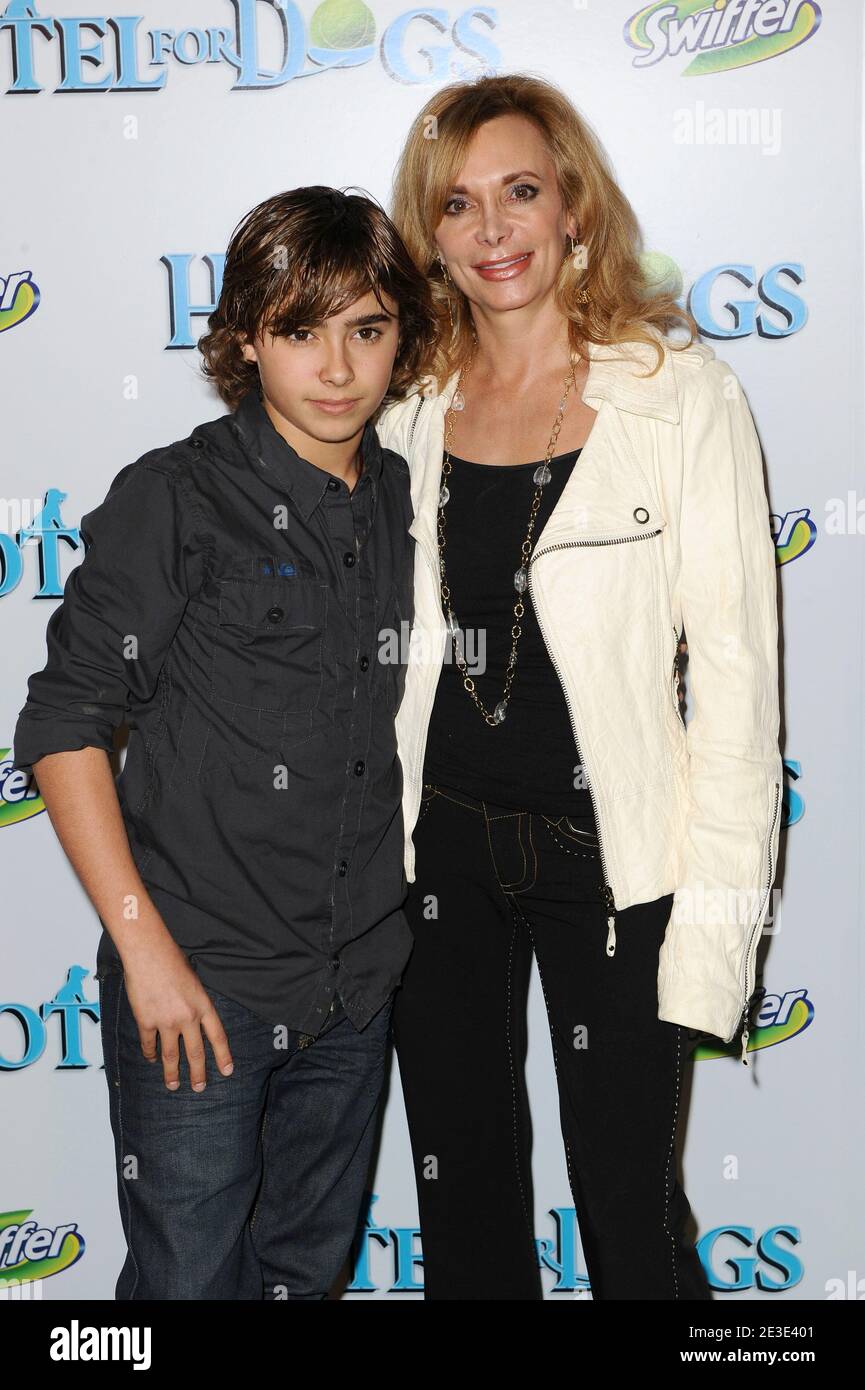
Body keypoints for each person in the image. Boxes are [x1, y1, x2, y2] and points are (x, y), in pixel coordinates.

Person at [375, 73, 783, 1300]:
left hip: (612, 864)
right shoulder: (402, 409)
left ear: (573, 213)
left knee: (633, 1226)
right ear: (429, 237)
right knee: (466, 1232)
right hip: (434, 854)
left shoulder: (679, 397)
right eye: (457, 204)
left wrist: (712, 946)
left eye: (521, 193)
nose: (492, 230)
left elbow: (739, 693)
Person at [12, 186, 437, 1300]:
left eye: (367, 328)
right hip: (200, 980)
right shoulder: (178, 496)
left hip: (354, 982)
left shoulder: (403, 492)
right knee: (186, 1290)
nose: (337, 367)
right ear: (247, 337)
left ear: (403, 335)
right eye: (301, 329)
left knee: (304, 1277)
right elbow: (62, 724)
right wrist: (145, 950)